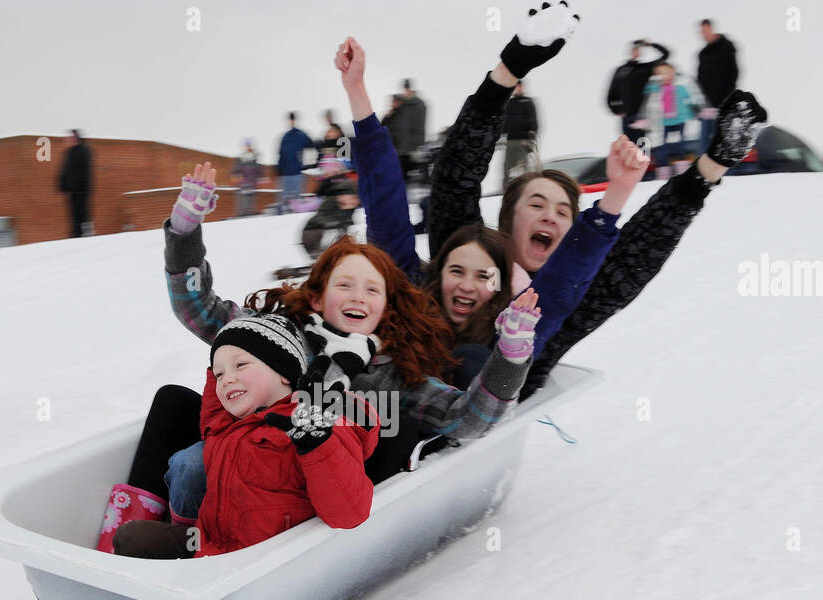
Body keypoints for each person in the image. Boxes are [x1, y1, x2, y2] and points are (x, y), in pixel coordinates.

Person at [134, 163, 543, 528]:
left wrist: (511, 355)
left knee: (193, 464)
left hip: (289, 493)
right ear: (316, 298)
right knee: (174, 405)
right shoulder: (277, 335)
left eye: (371, 289)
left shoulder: (388, 377)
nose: (357, 297)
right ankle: (132, 531)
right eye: (344, 285)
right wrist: (185, 234)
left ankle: (186, 547)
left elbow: (469, 419)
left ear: (385, 307)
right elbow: (197, 308)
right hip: (234, 458)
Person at [422, 3, 767, 402]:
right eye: (536, 204)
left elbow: (638, 254)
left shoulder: (569, 304)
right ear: (506, 221)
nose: (550, 215)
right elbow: (454, 181)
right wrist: (507, 72)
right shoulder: (467, 259)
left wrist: (712, 164)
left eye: (564, 212)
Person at [335, 35, 642, 388]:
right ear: (437, 273)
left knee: (475, 362)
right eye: (457, 270)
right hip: (360, 414)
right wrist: (357, 90)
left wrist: (617, 193)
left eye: (483, 277)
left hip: (450, 431)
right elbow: (386, 207)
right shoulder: (412, 295)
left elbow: (563, 282)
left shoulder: (514, 332)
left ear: (499, 288)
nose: (467, 285)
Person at [110, 312, 378, 559]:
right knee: (131, 537)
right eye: (220, 373)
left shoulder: (314, 424)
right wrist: (227, 360)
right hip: (206, 546)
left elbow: (349, 515)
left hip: (261, 561)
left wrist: (318, 445)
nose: (226, 378)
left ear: (283, 373)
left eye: (241, 365)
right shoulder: (227, 424)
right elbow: (216, 402)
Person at [642, 61, 704, 178]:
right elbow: (647, 91)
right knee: (663, 146)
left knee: (680, 144)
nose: (666, 76)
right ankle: (663, 171)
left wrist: (693, 113)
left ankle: (682, 170)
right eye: (662, 73)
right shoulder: (656, 88)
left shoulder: (680, 88)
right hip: (664, 121)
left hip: (680, 119)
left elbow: (690, 101)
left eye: (668, 73)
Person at [606, 38, 670, 144]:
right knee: (629, 148)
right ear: (630, 51)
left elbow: (666, 54)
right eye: (634, 49)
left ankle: (644, 159)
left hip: (641, 116)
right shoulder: (621, 70)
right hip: (626, 117)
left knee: (642, 148)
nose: (636, 52)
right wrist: (616, 110)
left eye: (638, 50)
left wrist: (650, 44)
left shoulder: (645, 68)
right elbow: (612, 91)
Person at [696, 19, 740, 154]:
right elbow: (700, 78)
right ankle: (703, 172)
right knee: (704, 143)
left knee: (723, 140)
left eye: (705, 30)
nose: (704, 34)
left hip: (723, 102)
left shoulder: (726, 46)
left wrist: (726, 97)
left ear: (711, 29)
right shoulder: (703, 54)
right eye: (701, 32)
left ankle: (729, 172)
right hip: (708, 106)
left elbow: (733, 72)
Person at [503, 81, 541, 185]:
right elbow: (503, 121)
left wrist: (531, 136)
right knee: (507, 167)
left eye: (519, 87)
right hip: (510, 141)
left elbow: (533, 120)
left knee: (523, 167)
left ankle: (526, 186)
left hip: (524, 141)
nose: (517, 89)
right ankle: (506, 190)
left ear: (522, 88)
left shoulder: (527, 102)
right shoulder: (508, 103)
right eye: (515, 87)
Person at [57, 129, 93, 238]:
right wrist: (63, 183)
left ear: (77, 138)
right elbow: (65, 169)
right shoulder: (69, 152)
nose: (69, 140)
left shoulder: (84, 151)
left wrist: (79, 185)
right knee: (74, 213)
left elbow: (83, 171)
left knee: (82, 212)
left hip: (81, 189)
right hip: (72, 189)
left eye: (72, 138)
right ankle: (76, 233)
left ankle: (85, 233)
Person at [276, 112, 315, 213]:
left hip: (297, 173)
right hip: (285, 174)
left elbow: (312, 147)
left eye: (293, 119)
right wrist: (279, 169)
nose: (292, 121)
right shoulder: (285, 136)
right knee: (284, 199)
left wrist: (308, 164)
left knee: (296, 200)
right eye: (290, 120)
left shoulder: (301, 135)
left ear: (296, 121)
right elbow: (281, 154)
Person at [232, 139, 263, 217]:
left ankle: (249, 213)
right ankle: (242, 214)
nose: (248, 147)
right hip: (244, 184)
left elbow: (258, 170)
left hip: (252, 184)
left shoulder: (254, 158)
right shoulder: (241, 158)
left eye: (250, 146)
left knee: (251, 200)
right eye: (247, 146)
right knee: (243, 201)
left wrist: (260, 177)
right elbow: (236, 170)